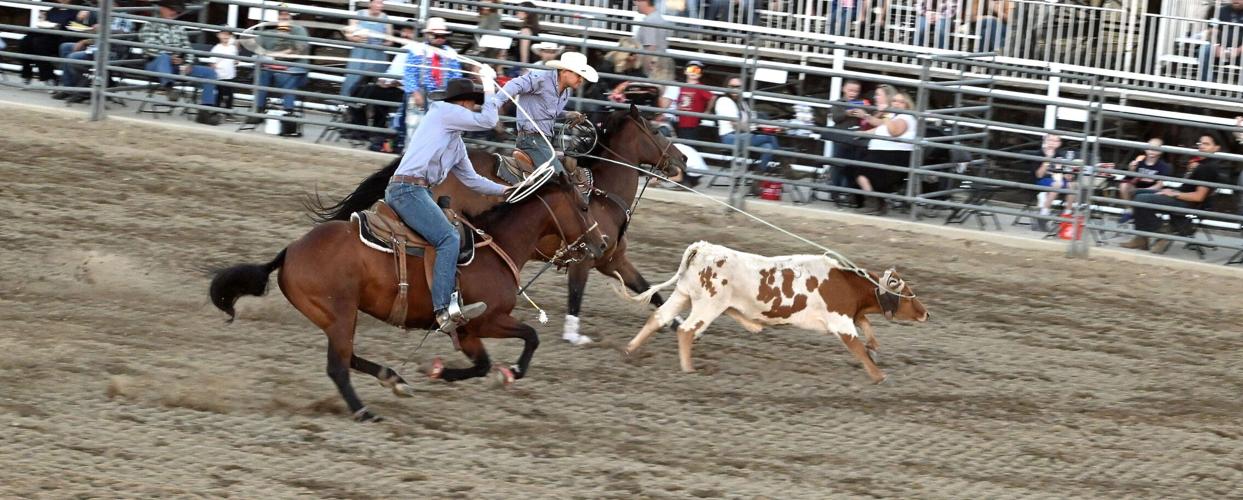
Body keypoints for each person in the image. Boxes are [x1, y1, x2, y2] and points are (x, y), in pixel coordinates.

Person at [385, 74, 513, 331]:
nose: (476, 109)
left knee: (454, 234)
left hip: (416, 191)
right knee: (448, 238)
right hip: (407, 190)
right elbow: (489, 119)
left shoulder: (455, 142)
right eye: (474, 104)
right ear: (464, 103)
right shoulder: (443, 111)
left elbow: (473, 180)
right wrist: (490, 87)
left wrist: (508, 190)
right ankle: (443, 311)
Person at [492, 51, 599, 175]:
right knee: (560, 177)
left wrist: (567, 114)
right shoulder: (541, 78)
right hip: (531, 140)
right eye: (578, 75)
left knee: (571, 165)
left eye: (582, 77)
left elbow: (549, 112)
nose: (581, 80)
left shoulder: (565, 92)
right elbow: (515, 84)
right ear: (564, 71)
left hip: (544, 141)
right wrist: (495, 103)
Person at [1121, 134, 1228, 253]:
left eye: (1206, 144)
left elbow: (1199, 197)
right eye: (1200, 143)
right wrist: (1172, 191)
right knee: (1135, 192)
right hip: (1181, 197)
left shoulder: (1208, 168)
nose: (1201, 146)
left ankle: (1161, 231)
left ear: (1216, 148)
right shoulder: (1201, 163)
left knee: (1141, 199)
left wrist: (1173, 194)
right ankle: (1142, 237)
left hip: (1187, 203)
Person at [378, 17, 462, 153]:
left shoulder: (451, 54)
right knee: (414, 127)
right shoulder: (417, 50)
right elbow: (409, 73)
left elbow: (456, 76)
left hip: (442, 96)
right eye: (436, 35)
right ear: (428, 35)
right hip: (420, 93)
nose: (440, 38)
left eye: (442, 35)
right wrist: (415, 92)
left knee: (437, 131)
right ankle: (410, 155)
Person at [138, 0, 221, 125]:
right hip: (155, 64)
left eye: (176, 10)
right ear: (162, 8)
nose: (175, 12)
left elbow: (187, 48)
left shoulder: (179, 27)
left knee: (210, 73)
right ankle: (169, 86)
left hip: (176, 65)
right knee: (164, 57)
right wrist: (171, 56)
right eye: (171, 9)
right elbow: (150, 48)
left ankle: (205, 111)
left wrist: (187, 62)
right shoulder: (150, 25)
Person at [849, 89, 917, 215]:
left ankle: (873, 203)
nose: (896, 104)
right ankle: (878, 203)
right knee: (857, 168)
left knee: (861, 173)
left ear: (907, 104)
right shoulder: (894, 116)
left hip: (893, 155)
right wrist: (864, 128)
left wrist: (886, 114)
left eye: (901, 102)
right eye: (895, 101)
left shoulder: (905, 117)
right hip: (882, 153)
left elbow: (894, 132)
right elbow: (880, 126)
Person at [245, 8, 310, 125]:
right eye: (281, 15)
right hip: (273, 68)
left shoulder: (299, 30)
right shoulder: (269, 32)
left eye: (286, 15)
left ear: (291, 17)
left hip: (293, 67)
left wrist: (279, 56)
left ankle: (287, 113)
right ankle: (258, 109)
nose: (283, 17)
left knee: (290, 78)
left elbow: (300, 49)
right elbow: (254, 45)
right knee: (262, 73)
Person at [54, 8, 134, 103]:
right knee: (65, 47)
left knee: (73, 57)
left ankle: (79, 89)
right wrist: (86, 39)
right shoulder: (105, 13)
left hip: (110, 52)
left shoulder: (124, 18)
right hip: (96, 47)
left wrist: (103, 29)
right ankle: (70, 87)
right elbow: (99, 34)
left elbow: (122, 37)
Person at [716, 77, 778, 172]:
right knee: (770, 137)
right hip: (730, 137)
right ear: (726, 87)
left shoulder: (743, 103)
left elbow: (750, 119)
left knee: (768, 147)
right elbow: (735, 124)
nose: (735, 89)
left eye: (738, 86)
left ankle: (758, 175)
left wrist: (758, 126)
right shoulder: (724, 101)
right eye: (732, 86)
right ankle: (785, 165)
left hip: (744, 136)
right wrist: (752, 128)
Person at [825, 79, 870, 197]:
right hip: (840, 138)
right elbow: (835, 118)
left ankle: (848, 190)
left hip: (855, 138)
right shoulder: (838, 102)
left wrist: (865, 111)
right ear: (843, 89)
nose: (853, 93)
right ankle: (834, 190)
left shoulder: (860, 102)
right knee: (837, 164)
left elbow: (868, 115)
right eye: (850, 90)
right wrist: (846, 113)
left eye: (856, 91)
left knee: (852, 165)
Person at [340, 0, 392, 97]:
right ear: (370, 3)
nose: (379, 5)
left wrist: (383, 44)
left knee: (375, 82)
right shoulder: (359, 15)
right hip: (360, 52)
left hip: (377, 54)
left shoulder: (385, 18)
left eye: (381, 3)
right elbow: (348, 34)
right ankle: (346, 105)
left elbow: (390, 39)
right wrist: (357, 39)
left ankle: (369, 108)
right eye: (376, 2)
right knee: (353, 78)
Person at [1027, 134, 1078, 231]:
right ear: (1045, 141)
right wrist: (1047, 159)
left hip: (1056, 180)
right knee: (1057, 184)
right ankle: (1044, 214)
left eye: (1055, 141)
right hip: (1040, 181)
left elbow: (1061, 174)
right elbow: (1039, 175)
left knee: (1073, 185)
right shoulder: (1038, 154)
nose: (1052, 143)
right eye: (1050, 140)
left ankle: (1066, 215)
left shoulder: (1060, 155)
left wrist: (1068, 175)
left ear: (1059, 143)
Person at [1116, 138, 1172, 224]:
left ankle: (1138, 215)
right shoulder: (1139, 161)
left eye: (1156, 149)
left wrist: (1144, 191)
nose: (1152, 151)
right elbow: (1127, 179)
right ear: (1145, 149)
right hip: (1136, 189)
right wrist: (1131, 170)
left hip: (1152, 192)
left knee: (1142, 194)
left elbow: (1160, 184)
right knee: (1124, 185)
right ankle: (1129, 211)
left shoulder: (1164, 166)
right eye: (1150, 148)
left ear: (1161, 151)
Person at [19, 0, 75, 85]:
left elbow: (72, 28)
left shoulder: (75, 11)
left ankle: (49, 77)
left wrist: (59, 27)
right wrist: (43, 20)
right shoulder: (53, 9)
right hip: (48, 37)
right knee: (25, 41)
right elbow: (46, 24)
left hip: (61, 39)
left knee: (38, 43)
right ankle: (27, 73)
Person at [1198, 0, 1243, 81]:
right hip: (1220, 49)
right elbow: (1212, 31)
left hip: (1241, 51)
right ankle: (1206, 87)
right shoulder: (1220, 11)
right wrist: (1216, 46)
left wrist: (1239, 50)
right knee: (1204, 51)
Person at [674, 61, 715, 143]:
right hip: (681, 123)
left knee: (689, 145)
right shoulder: (682, 87)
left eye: (697, 70)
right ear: (685, 71)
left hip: (693, 124)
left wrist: (707, 111)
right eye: (691, 69)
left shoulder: (700, 87)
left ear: (700, 74)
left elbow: (712, 97)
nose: (693, 72)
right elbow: (679, 102)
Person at [515, 1, 540, 69]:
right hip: (529, 65)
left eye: (519, 10)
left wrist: (523, 69)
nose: (517, 12)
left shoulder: (526, 30)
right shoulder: (532, 27)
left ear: (527, 13)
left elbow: (524, 53)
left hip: (523, 66)